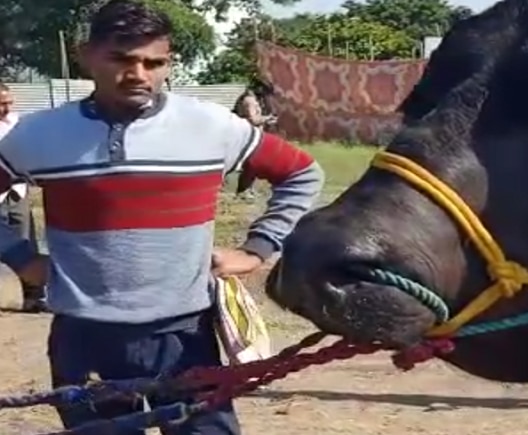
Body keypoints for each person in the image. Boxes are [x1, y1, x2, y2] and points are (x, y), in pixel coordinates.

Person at [0, 1, 323, 433]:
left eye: (155, 63)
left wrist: (258, 248)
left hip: (184, 337)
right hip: (84, 338)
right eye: (122, 59)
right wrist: (19, 255)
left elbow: (302, 173)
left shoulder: (211, 126)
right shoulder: (38, 135)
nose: (139, 74)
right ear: (86, 55)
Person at [0, 83, 44, 313]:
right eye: (1, 104)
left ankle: (33, 296)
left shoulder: (18, 125)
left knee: (24, 243)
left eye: (9, 103)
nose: (6, 108)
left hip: (17, 192)